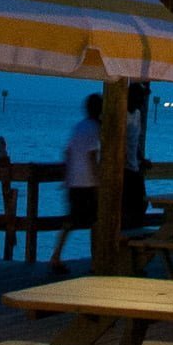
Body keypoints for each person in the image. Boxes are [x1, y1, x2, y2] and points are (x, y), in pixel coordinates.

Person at [50, 93, 104, 274]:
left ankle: (56, 255)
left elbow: (68, 152)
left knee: (71, 221)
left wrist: (67, 176)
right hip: (87, 183)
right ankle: (97, 261)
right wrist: (98, 179)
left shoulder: (79, 127)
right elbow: (92, 155)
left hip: (74, 180)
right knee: (97, 222)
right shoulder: (95, 128)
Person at [123, 84, 150, 226]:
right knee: (129, 204)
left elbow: (135, 140)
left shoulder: (138, 114)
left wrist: (141, 158)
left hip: (133, 165)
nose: (141, 101)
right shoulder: (122, 114)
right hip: (123, 168)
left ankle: (133, 234)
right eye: (139, 97)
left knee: (141, 203)